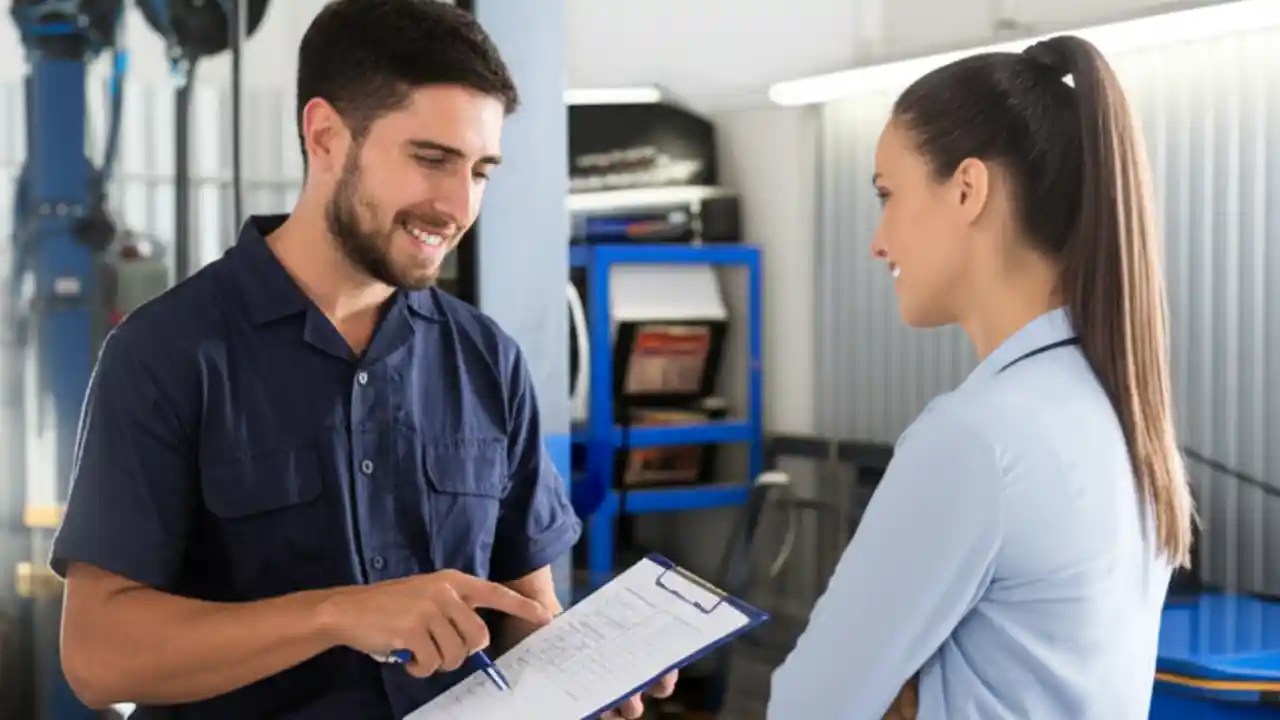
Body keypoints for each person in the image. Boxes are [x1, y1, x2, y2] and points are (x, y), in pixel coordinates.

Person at [50, 2, 675, 718]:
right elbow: (99, 659)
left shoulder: (486, 359)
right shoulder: (167, 353)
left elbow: (522, 608)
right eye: (431, 159)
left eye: (480, 171)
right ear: (326, 136)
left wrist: (584, 669)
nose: (456, 204)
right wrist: (337, 614)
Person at [767, 34, 1194, 719]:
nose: (878, 240)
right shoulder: (1119, 410)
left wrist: (905, 695)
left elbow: (806, 708)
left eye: (888, 194)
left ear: (968, 189)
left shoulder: (974, 441)